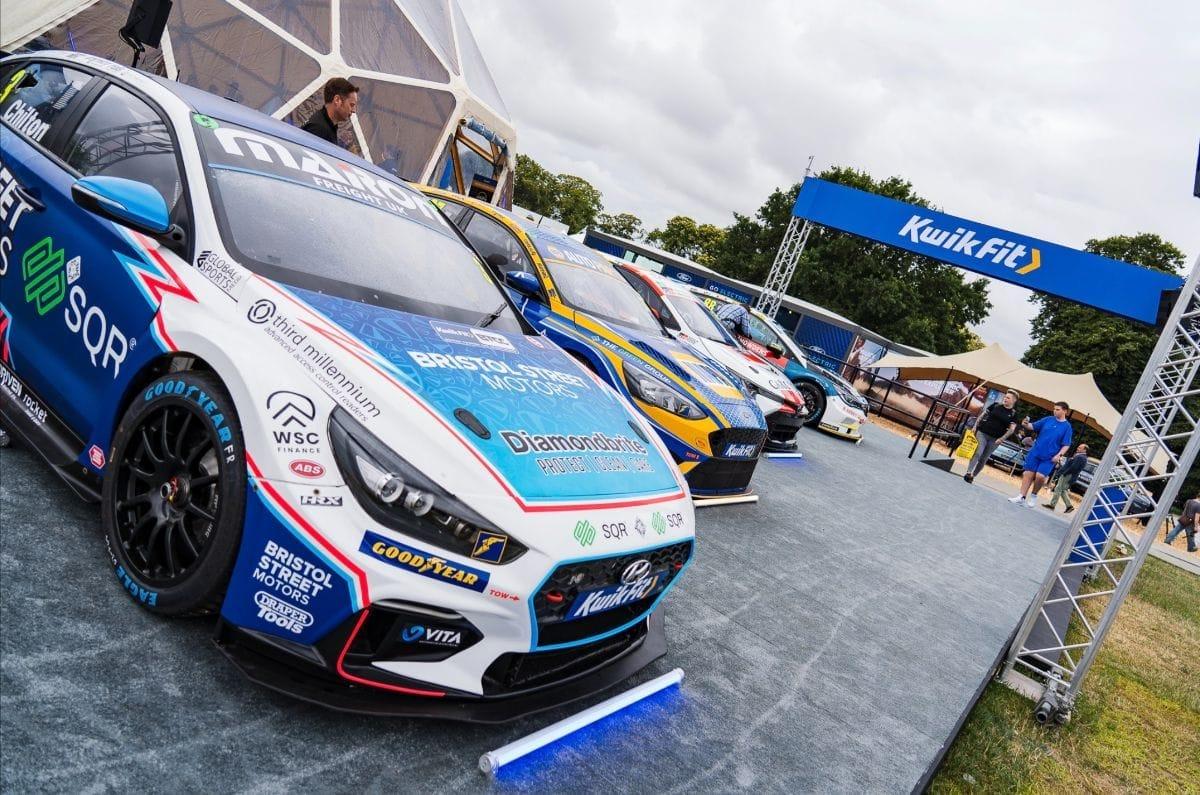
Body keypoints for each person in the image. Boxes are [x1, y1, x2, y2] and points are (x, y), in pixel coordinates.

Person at [1008, 401, 1073, 508]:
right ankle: (1021, 497)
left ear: (1065, 411)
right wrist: (1025, 424)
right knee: (1027, 473)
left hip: (1050, 457)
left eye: (1057, 409)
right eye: (1054, 409)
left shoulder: (1067, 427)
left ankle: (1034, 495)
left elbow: (1066, 444)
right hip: (1036, 451)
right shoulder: (1048, 419)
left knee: (1040, 476)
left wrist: (1059, 455)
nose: (1054, 411)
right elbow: (1032, 426)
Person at [963, 389, 1019, 484]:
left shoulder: (1013, 414)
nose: (1005, 399)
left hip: (995, 439)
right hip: (983, 433)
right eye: (1005, 397)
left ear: (1013, 401)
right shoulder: (995, 405)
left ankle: (973, 475)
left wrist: (1002, 439)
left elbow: (1012, 430)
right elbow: (982, 415)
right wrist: (975, 426)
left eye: (1008, 398)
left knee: (984, 458)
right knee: (978, 452)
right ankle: (968, 472)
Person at [301, 77, 359, 146]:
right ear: (337, 100)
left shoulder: (326, 126)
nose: (354, 110)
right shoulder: (319, 129)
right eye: (351, 105)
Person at [1043, 443, 1089, 512]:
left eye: (1080, 447)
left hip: (1068, 475)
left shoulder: (1080, 457)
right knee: (1062, 490)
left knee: (1058, 489)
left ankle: (1053, 505)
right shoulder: (1081, 457)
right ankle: (1069, 506)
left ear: (1084, 450)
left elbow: (1074, 467)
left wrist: (1064, 473)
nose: (1077, 448)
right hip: (1069, 475)